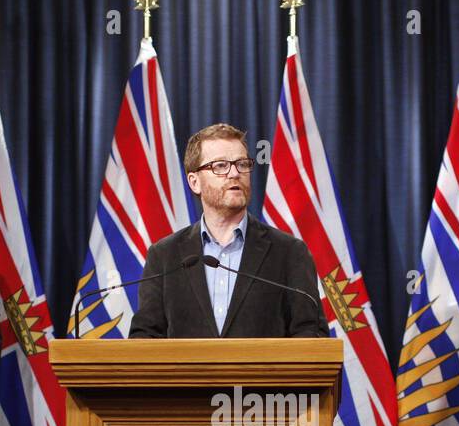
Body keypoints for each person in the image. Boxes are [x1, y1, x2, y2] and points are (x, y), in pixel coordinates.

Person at [129, 123, 325, 338]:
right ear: (195, 182)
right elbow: (144, 337)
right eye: (220, 166)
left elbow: (310, 334)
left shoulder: (289, 252)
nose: (234, 173)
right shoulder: (164, 255)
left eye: (242, 164)